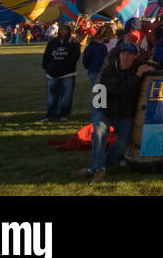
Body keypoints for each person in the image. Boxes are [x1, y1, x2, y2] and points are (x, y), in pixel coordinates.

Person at [78, 42, 153, 182]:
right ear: (118, 54)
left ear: (135, 56)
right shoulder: (109, 70)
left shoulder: (139, 68)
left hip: (124, 113)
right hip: (104, 108)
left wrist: (150, 66)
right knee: (99, 133)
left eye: (129, 54)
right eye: (123, 53)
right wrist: (137, 75)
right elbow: (120, 90)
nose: (125, 57)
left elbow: (156, 67)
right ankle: (99, 169)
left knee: (122, 144)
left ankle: (99, 166)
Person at [41, 23, 81, 122]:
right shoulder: (53, 41)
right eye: (61, 29)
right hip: (52, 73)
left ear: (69, 31)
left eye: (65, 30)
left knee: (66, 96)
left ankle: (64, 114)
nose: (63, 31)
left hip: (67, 73)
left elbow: (74, 57)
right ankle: (51, 114)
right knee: (51, 96)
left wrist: (66, 68)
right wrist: (47, 67)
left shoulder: (74, 41)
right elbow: (47, 55)